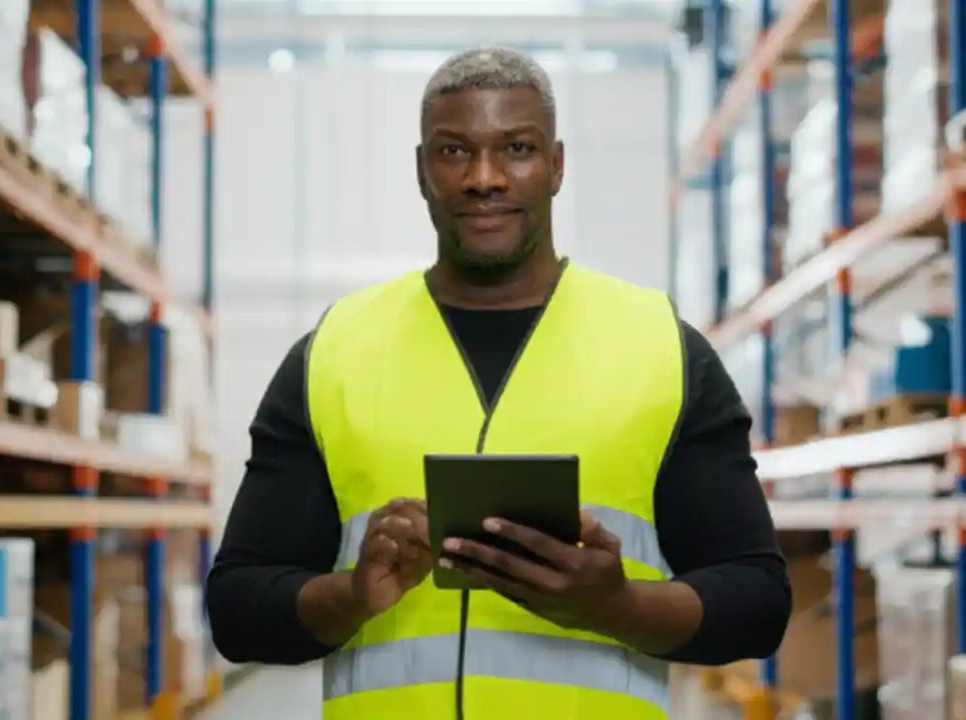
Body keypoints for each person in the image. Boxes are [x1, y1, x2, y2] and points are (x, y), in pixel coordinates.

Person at [206, 46, 791, 720]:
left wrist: (617, 606)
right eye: (454, 152)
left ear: (557, 166)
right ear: (422, 170)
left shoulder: (662, 350)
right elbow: (237, 608)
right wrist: (350, 596)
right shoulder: (332, 355)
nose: (484, 178)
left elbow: (758, 602)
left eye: (516, 148)